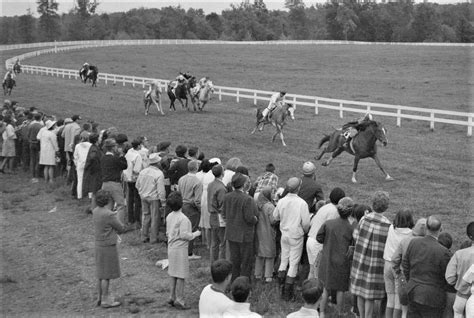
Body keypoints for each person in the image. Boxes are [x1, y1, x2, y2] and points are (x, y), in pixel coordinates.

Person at [350, 191, 392, 318]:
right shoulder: (388, 225)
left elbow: (356, 235)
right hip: (375, 263)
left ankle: (361, 316)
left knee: (361, 292)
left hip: (361, 259)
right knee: (369, 295)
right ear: (386, 206)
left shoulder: (364, 219)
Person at [402, 216, 451, 318]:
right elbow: (447, 276)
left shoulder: (413, 242)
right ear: (440, 229)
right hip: (433, 297)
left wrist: (412, 281)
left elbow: (405, 264)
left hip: (413, 291)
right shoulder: (444, 252)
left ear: (426, 228)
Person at [315, 197, 354, 317]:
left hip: (327, 258)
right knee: (341, 289)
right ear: (350, 212)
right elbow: (353, 244)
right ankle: (339, 313)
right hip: (342, 261)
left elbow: (319, 237)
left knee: (326, 287)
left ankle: (321, 312)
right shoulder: (351, 228)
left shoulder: (328, 224)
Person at [273, 177, 311, 301]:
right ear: (298, 188)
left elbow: (275, 216)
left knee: (284, 260)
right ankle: (287, 294)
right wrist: (304, 232)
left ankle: (280, 288)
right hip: (296, 235)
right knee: (293, 263)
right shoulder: (302, 203)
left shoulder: (282, 201)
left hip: (284, 234)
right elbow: (306, 223)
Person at [166, 191, 201, 310]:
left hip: (171, 247)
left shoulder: (169, 216)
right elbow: (184, 235)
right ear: (181, 204)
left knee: (172, 273)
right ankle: (180, 300)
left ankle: (171, 296)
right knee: (181, 274)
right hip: (180, 248)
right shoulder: (184, 219)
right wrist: (195, 234)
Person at [92, 189, 126, 308]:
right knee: (106, 275)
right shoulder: (109, 214)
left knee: (101, 273)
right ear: (108, 201)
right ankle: (106, 300)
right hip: (108, 246)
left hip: (98, 244)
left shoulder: (95, 211)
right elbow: (121, 228)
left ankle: (100, 297)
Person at [223, 172, 258, 281]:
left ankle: (234, 281)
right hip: (244, 235)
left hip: (231, 233)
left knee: (235, 260)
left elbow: (223, 213)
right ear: (243, 184)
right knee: (246, 261)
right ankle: (243, 284)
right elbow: (249, 218)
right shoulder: (247, 199)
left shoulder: (227, 197)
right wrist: (256, 219)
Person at [306, 187, 345, 280]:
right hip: (318, 243)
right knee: (319, 274)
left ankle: (308, 292)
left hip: (310, 239)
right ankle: (317, 293)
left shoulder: (325, 207)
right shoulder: (335, 211)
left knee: (312, 270)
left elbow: (311, 223)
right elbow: (330, 229)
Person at [391, 218, 427, 318]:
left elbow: (394, 260)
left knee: (405, 310)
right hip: (421, 280)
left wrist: (398, 273)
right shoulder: (427, 244)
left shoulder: (405, 241)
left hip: (405, 278)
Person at [383, 209, 415, 318]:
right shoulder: (410, 234)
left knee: (390, 298)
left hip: (387, 263)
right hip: (398, 267)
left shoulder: (391, 228)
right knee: (398, 301)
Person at [135, 153, 166, 244]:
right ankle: (153, 238)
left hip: (143, 196)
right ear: (157, 163)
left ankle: (144, 236)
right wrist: (163, 201)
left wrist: (141, 193)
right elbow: (161, 190)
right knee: (155, 218)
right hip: (154, 198)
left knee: (145, 216)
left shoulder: (143, 171)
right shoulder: (159, 174)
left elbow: (137, 185)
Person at [445, 222, 474, 318]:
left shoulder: (459, 254)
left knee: (458, 313)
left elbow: (449, 277)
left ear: (470, 236)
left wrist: (458, 284)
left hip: (461, 294)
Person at [177, 160, 203, 259]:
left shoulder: (181, 179)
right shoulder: (197, 181)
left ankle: (181, 248)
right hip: (191, 207)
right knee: (191, 229)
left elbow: (178, 192)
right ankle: (189, 253)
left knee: (182, 228)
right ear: (196, 168)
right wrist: (200, 209)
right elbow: (197, 200)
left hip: (181, 205)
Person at [100, 138, 128, 227]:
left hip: (104, 183)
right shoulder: (115, 158)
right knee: (120, 205)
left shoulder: (103, 158)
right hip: (114, 183)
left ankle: (107, 224)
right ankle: (119, 225)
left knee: (108, 205)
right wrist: (121, 155)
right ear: (113, 148)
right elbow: (124, 166)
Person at [254, 186, 277, 283]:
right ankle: (268, 276)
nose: (273, 195)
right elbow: (273, 221)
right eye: (272, 193)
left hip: (259, 232)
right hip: (268, 232)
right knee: (270, 255)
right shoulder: (270, 206)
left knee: (259, 254)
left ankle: (257, 274)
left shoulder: (257, 205)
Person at [207, 164, 228, 262]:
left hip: (212, 215)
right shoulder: (222, 188)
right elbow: (222, 205)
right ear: (222, 173)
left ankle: (213, 263)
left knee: (214, 243)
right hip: (219, 217)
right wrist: (226, 219)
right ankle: (220, 265)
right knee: (222, 243)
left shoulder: (211, 184)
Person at [123, 139, 143, 229]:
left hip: (127, 177)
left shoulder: (129, 153)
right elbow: (137, 169)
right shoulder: (137, 156)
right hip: (135, 179)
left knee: (130, 199)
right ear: (138, 146)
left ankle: (130, 218)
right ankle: (136, 219)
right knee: (137, 199)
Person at [73, 133, 92, 199]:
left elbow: (75, 156)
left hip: (80, 164)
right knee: (90, 180)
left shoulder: (77, 146)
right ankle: (90, 196)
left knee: (80, 180)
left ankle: (79, 195)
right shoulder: (91, 145)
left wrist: (76, 164)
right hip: (88, 164)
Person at [27, 113, 44, 183]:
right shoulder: (41, 126)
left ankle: (32, 175)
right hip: (38, 143)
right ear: (40, 118)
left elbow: (28, 134)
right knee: (38, 159)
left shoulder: (31, 125)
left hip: (31, 142)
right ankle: (37, 175)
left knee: (32, 159)